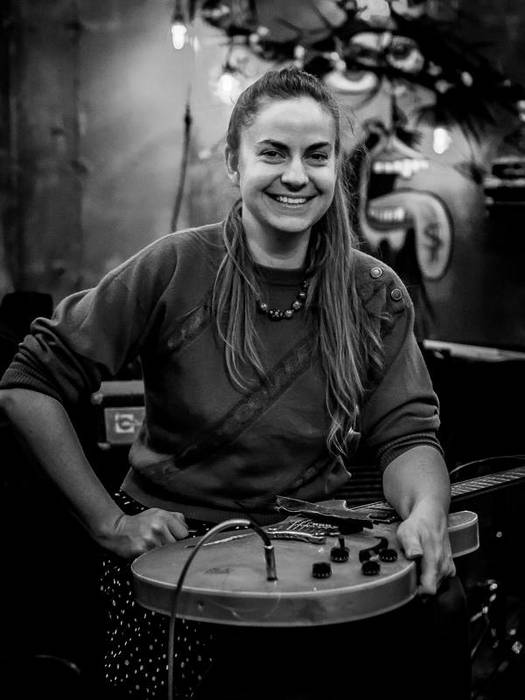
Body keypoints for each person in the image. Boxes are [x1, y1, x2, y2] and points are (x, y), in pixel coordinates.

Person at [0, 67, 470, 700]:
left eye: (317, 156)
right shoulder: (173, 266)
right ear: (233, 162)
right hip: (178, 559)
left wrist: (428, 511)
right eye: (273, 153)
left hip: (313, 556)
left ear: (337, 167)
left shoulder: (374, 292)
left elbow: (407, 435)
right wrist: (108, 523)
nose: (297, 176)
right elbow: (27, 383)